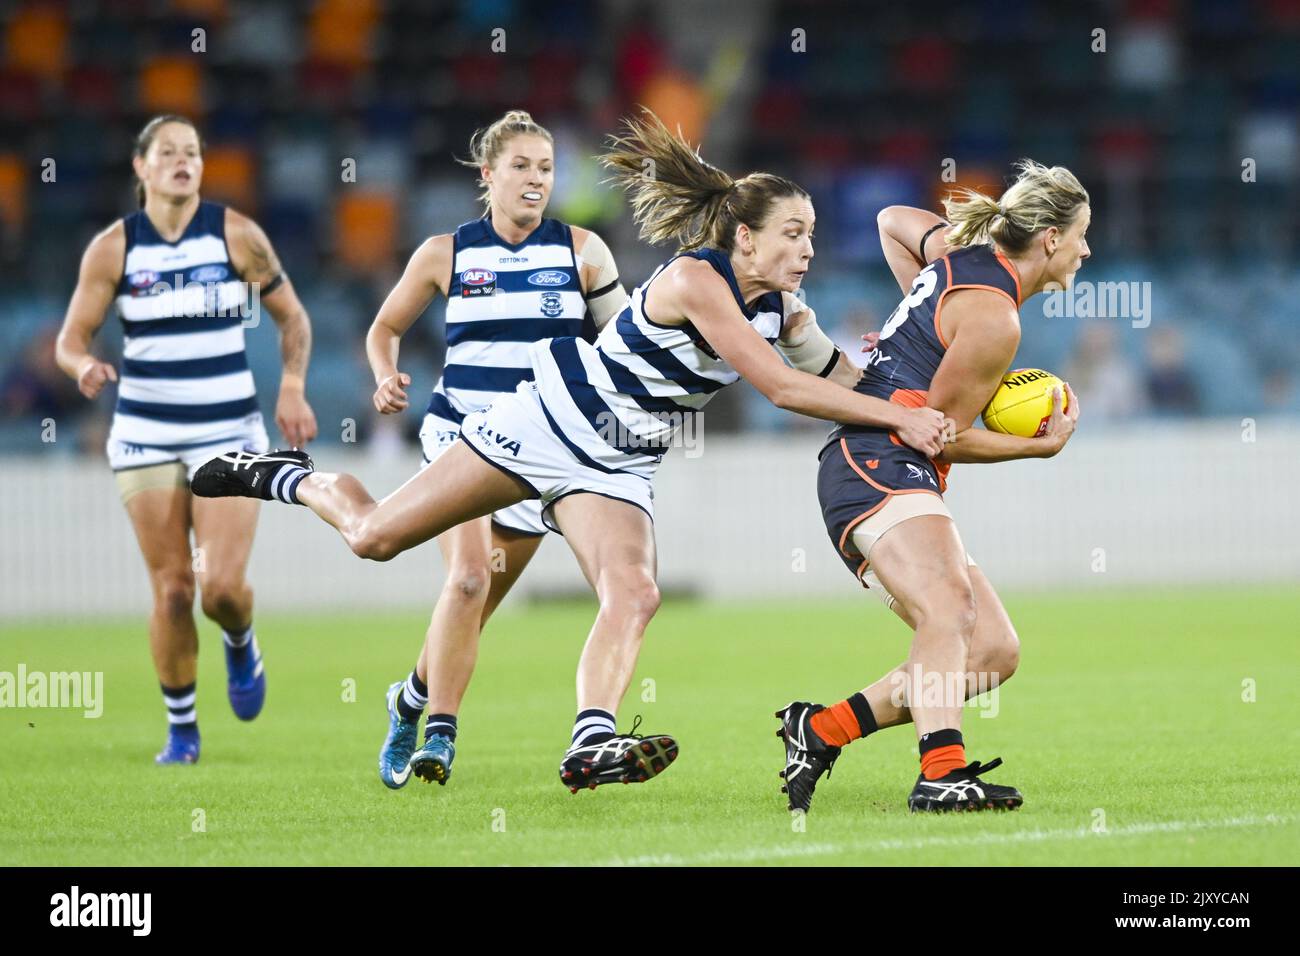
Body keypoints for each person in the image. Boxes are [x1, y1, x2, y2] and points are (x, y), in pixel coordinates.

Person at [189, 110, 947, 792]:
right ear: (744, 237)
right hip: (547, 424)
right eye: (793, 232)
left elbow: (846, 378)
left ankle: (591, 742)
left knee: (635, 591)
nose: (808, 248)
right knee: (374, 538)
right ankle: (292, 480)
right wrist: (897, 416)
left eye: (812, 233)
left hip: (617, 462)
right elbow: (783, 390)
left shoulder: (785, 311)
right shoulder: (696, 279)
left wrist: (924, 385)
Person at [778, 160, 1086, 813]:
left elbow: (893, 222)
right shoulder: (996, 321)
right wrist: (1039, 447)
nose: (1087, 250)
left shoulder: (961, 255)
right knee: (948, 607)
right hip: (875, 457)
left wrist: (910, 334)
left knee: (994, 651)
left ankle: (819, 729)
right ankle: (941, 774)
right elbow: (942, 435)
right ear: (1052, 238)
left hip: (878, 459)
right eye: (1082, 234)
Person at [366, 110, 629, 789]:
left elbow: (625, 346)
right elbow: (385, 327)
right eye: (522, 166)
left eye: (546, 168)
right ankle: (441, 737)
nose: (536, 179)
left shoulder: (583, 251)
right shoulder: (444, 253)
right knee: (467, 579)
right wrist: (384, 375)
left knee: (472, 607)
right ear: (489, 175)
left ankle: (409, 699)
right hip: (458, 435)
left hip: (539, 449)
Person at [54, 115, 318, 764]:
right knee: (173, 590)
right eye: (167, 153)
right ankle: (182, 731)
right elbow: (69, 339)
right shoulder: (114, 249)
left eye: (193, 153)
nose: (183, 162)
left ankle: (239, 640)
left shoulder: (235, 235)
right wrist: (82, 366)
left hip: (227, 431)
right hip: (145, 436)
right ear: (141, 168)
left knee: (220, 588)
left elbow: (293, 317)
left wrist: (292, 385)